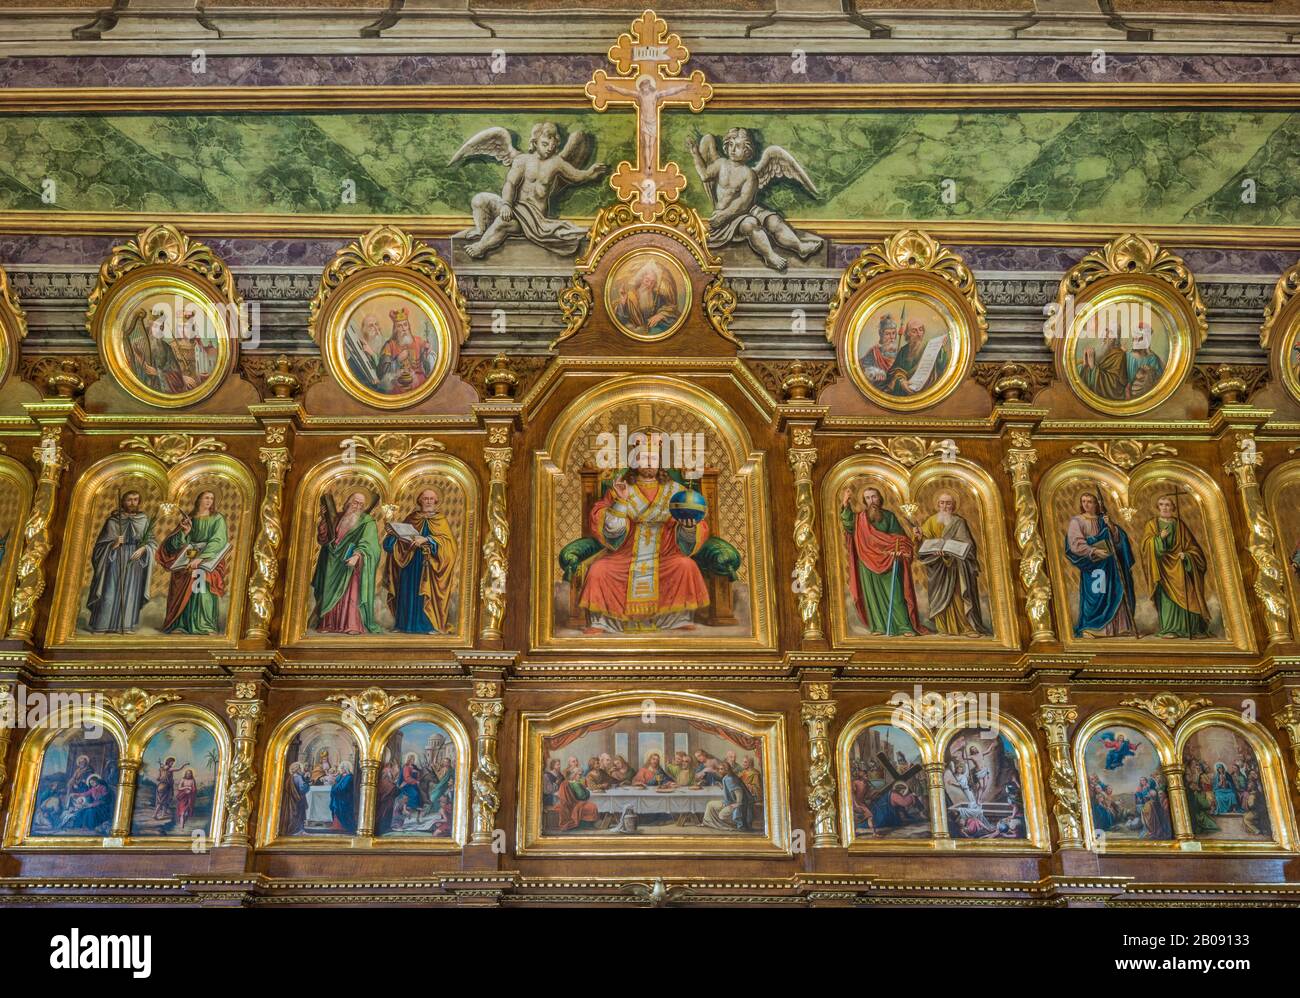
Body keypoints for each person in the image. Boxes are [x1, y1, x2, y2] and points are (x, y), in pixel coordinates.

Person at [578, 455, 710, 634]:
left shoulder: (677, 491)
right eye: (643, 458)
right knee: (599, 569)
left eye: (654, 458)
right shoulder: (619, 489)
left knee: (685, 566)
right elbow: (610, 531)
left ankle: (677, 618)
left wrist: (688, 528)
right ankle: (601, 622)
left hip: (666, 553)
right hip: (626, 554)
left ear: (660, 463)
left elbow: (694, 526)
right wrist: (621, 501)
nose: (649, 463)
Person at [840, 485, 926, 636]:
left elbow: (901, 539)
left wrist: (900, 548)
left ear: (880, 498)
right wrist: (845, 503)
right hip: (867, 561)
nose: (871, 500)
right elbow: (848, 523)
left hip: (890, 560)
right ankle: (879, 627)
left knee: (897, 596)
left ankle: (904, 627)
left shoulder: (889, 516)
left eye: (874, 496)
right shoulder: (860, 518)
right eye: (867, 498)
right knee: (873, 596)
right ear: (864, 500)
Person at [383, 488, 459, 633]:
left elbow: (449, 544)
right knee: (406, 592)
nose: (429, 501)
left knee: (424, 593)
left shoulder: (440, 520)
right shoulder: (412, 518)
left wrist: (428, 539)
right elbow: (401, 537)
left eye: (431, 499)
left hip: (429, 564)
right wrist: (394, 535)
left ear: (436, 501)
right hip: (410, 562)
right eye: (425, 498)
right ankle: (403, 625)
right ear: (420, 501)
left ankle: (429, 626)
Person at [1065, 491, 1136, 638]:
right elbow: (1075, 544)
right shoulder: (1077, 521)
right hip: (1094, 566)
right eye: (1083, 501)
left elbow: (1118, 539)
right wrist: (1094, 550)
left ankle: (1119, 628)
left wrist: (1111, 527)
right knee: (1098, 594)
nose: (1086, 504)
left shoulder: (1103, 519)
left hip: (1111, 566)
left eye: (1090, 501)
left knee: (1115, 591)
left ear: (1097, 504)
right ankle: (1094, 628)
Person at [157, 490, 229, 635]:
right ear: (198, 500)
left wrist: (201, 559)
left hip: (207, 558)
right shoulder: (190, 518)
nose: (209, 501)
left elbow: (218, 540)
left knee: (201, 584)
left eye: (211, 498)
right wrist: (184, 532)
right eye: (206, 498)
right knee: (182, 576)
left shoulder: (217, 518)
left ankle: (205, 625)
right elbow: (174, 545)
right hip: (190, 555)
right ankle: (181, 624)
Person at [916, 492, 988, 637]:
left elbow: (968, 545)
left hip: (956, 567)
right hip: (937, 568)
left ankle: (966, 627)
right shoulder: (930, 521)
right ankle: (943, 628)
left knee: (957, 596)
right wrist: (918, 537)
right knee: (939, 596)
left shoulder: (959, 522)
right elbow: (923, 543)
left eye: (948, 503)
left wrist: (951, 550)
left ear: (954, 505)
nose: (945, 506)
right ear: (937, 504)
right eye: (942, 503)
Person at [86, 490, 157, 634]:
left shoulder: (143, 520)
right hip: (114, 560)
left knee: (130, 593)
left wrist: (144, 549)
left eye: (136, 499)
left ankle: (126, 625)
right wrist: (113, 544)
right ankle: (102, 625)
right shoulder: (113, 521)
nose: (132, 503)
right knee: (110, 591)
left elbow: (152, 542)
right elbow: (99, 547)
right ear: (123, 502)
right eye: (129, 500)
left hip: (135, 562)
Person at [311, 491, 382, 634]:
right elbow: (324, 539)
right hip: (332, 563)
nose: (357, 507)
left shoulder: (367, 521)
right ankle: (328, 624)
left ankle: (351, 625)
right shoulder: (337, 517)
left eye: (361, 505)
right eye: (355, 502)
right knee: (329, 592)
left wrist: (357, 556)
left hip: (351, 563)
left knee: (350, 593)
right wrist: (324, 520)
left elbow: (370, 543)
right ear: (348, 502)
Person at [1141, 495, 1211, 639]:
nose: (1165, 507)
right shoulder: (1152, 524)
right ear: (1158, 507)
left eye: (1168, 504)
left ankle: (1191, 628)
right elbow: (1145, 547)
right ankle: (1169, 629)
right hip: (1162, 569)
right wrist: (1159, 538)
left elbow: (1193, 548)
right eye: (1162, 504)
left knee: (1190, 596)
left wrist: (1188, 556)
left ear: (1173, 507)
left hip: (1180, 566)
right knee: (1167, 601)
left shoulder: (1180, 525)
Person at [882, 318, 949, 396]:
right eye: (914, 331)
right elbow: (893, 371)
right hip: (905, 388)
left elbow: (941, 366)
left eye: (920, 330)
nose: (919, 334)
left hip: (925, 387)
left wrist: (940, 348)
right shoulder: (904, 350)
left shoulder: (930, 347)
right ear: (908, 334)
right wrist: (901, 381)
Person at [376, 308, 435, 395]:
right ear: (395, 329)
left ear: (409, 326)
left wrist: (428, 352)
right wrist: (398, 360)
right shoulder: (389, 345)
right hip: (398, 382)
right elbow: (382, 371)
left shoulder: (419, 341)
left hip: (419, 382)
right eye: (400, 326)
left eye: (405, 325)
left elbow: (428, 365)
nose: (404, 329)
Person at [613, 261, 680, 337]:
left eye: (652, 282)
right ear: (641, 279)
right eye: (647, 280)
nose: (649, 285)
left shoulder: (658, 297)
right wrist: (623, 302)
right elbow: (620, 320)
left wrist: (661, 315)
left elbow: (672, 311)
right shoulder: (630, 297)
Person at [702, 762, 754, 831]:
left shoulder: (730, 779)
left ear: (726, 770)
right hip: (728, 802)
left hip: (738, 804)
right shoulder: (727, 777)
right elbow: (729, 789)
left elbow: (739, 791)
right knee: (710, 804)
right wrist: (720, 785)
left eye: (721, 769)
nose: (719, 771)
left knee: (721, 815)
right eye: (719, 769)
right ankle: (707, 823)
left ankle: (733, 825)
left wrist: (738, 803)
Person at [860, 314, 900, 386]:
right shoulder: (874, 352)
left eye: (893, 333)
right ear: (881, 335)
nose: (891, 337)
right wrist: (875, 373)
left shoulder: (901, 352)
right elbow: (862, 367)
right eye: (887, 334)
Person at [281, 761, 307, 835]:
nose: (301, 770)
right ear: (297, 769)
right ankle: (299, 830)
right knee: (300, 814)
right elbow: (302, 789)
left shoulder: (290, 777)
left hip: (291, 799)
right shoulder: (299, 777)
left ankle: (294, 829)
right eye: (299, 768)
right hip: (299, 799)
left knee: (292, 814)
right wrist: (307, 785)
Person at [330, 761, 356, 833]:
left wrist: (334, 785)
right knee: (336, 811)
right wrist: (334, 784)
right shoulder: (340, 776)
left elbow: (343, 788)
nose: (341, 769)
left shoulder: (349, 777)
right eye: (341, 767)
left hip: (344, 799)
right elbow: (336, 783)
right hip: (338, 798)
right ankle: (336, 826)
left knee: (343, 812)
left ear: (346, 768)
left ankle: (343, 827)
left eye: (342, 767)